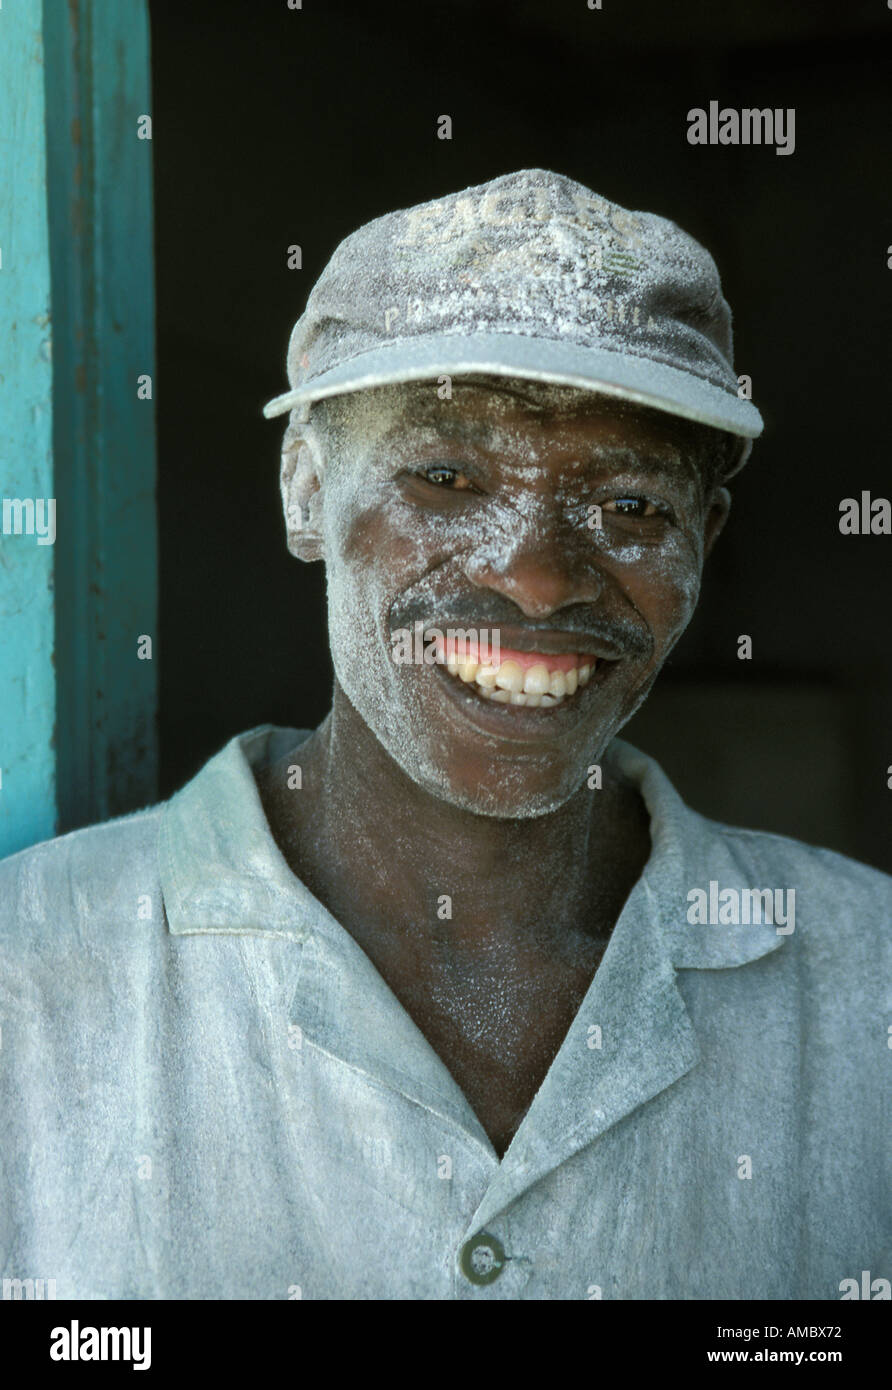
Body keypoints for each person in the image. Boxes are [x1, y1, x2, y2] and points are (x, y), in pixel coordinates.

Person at [1, 170, 888, 1301]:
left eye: (629, 506)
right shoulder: (29, 977)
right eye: (445, 475)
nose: (534, 577)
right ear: (305, 489)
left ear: (704, 536)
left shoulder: (867, 989)